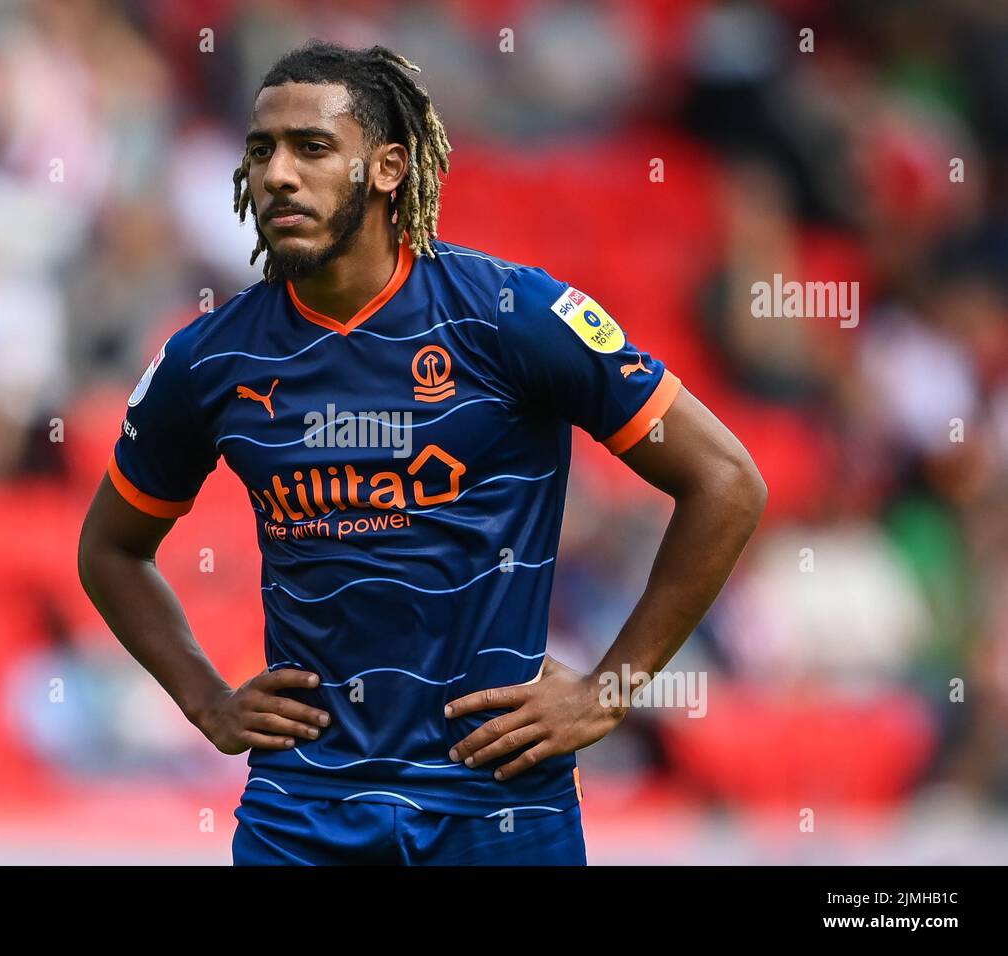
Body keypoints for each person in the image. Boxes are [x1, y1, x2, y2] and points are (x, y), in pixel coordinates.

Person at [77, 40, 766, 865]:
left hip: (500, 804)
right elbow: (112, 549)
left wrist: (608, 691)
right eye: (261, 151)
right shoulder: (210, 361)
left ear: (390, 167)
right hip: (304, 810)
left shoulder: (511, 318)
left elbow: (724, 481)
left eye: (312, 147)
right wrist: (206, 700)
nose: (277, 175)